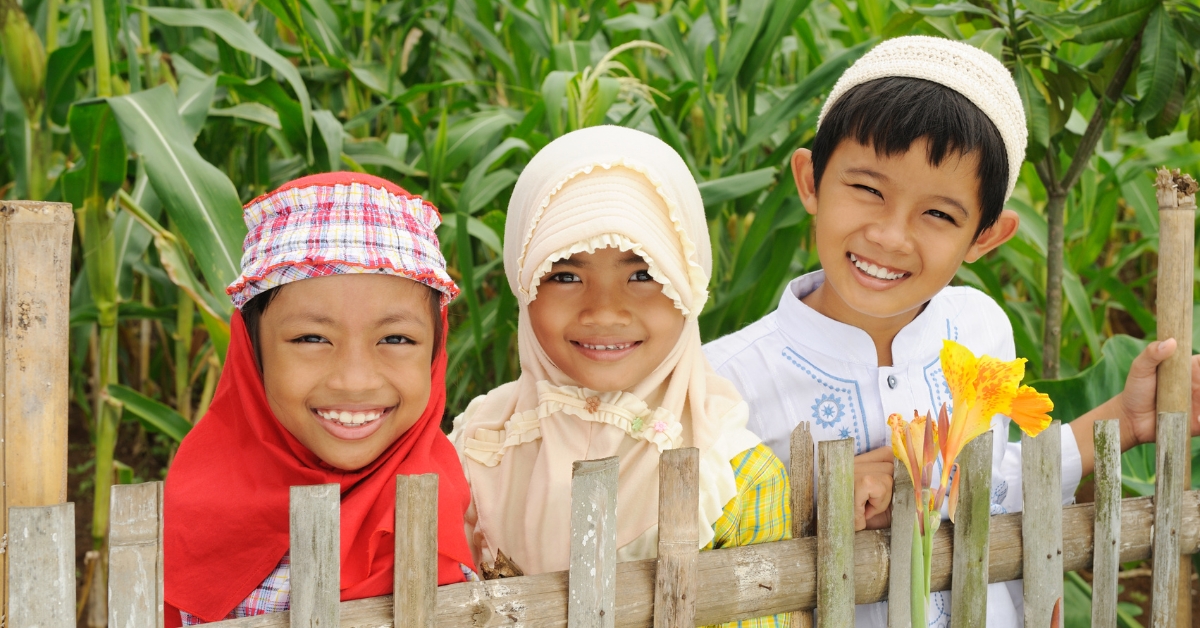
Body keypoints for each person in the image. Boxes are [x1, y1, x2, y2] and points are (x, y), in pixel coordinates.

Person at [703, 36, 1200, 626]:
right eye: (867, 189)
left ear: (985, 237)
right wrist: (814, 505)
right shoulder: (721, 382)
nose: (890, 236)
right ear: (811, 181)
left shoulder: (979, 327)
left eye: (938, 214)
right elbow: (702, 553)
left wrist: (1126, 418)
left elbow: (988, 485)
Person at [451, 125, 789, 626]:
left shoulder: (736, 480)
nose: (604, 311)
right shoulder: (474, 450)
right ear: (523, 283)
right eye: (565, 275)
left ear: (688, 285)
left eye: (643, 273)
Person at [163, 173, 475, 625]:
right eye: (312, 337)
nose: (354, 381)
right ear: (253, 354)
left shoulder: (453, 507)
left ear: (435, 352)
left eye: (396, 338)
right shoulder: (198, 512)